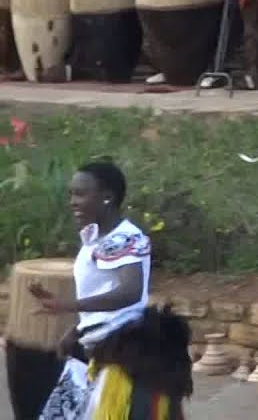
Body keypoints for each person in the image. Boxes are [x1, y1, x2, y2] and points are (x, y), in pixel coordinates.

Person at [33, 161, 192, 420]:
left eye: (81, 194)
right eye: (71, 194)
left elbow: (130, 291)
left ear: (107, 197)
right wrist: (77, 330)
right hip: (101, 351)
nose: (73, 201)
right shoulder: (95, 238)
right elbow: (105, 293)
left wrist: (68, 305)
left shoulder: (125, 239)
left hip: (126, 357)